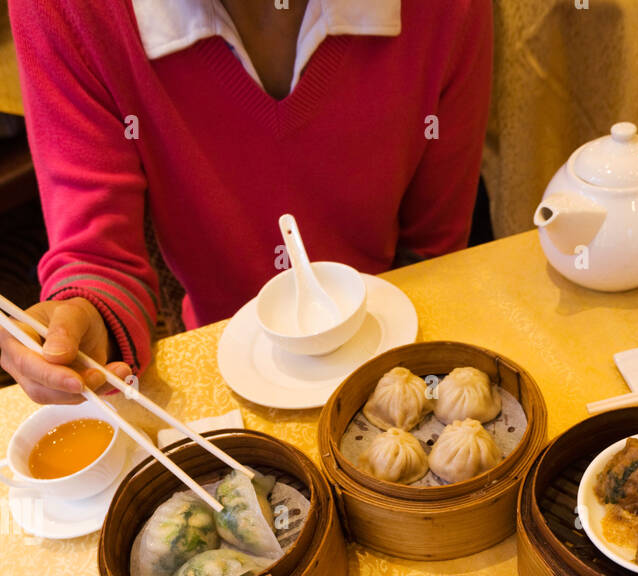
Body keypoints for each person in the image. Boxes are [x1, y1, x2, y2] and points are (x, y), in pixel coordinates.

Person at [2, 1, 493, 403]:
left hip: (391, 350)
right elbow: (99, 258)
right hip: (217, 361)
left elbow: (433, 253)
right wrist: (85, 318)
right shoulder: (66, 10)